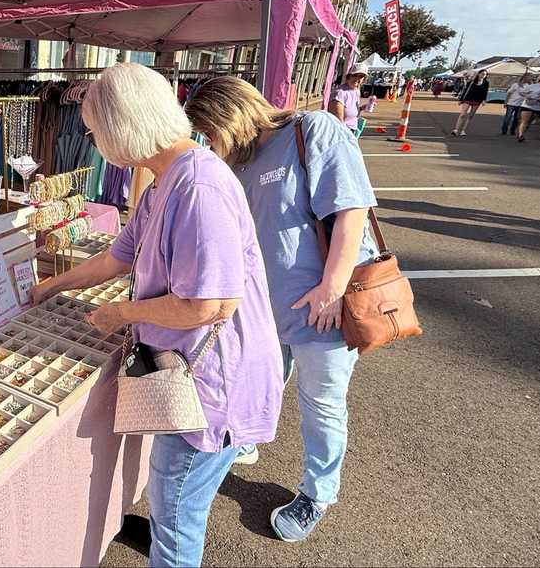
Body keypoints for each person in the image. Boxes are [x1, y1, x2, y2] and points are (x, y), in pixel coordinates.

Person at [30, 63, 283, 567]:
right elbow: (117, 257)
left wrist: (120, 311)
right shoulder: (167, 180)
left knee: (175, 523)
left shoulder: (198, 187)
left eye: (95, 130)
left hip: (210, 386)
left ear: (122, 126)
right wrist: (50, 286)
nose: (93, 139)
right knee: (176, 508)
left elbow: (206, 305)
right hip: (186, 370)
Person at [187, 76, 379, 543]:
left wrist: (332, 288)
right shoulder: (241, 159)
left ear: (229, 115)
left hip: (323, 308)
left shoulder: (313, 129)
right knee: (263, 379)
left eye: (211, 132)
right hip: (268, 307)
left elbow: (351, 209)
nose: (211, 143)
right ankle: (251, 438)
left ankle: (319, 492)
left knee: (323, 404)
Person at [328, 62, 369, 131]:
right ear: (349, 76)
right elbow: (337, 121)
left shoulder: (356, 91)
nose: (357, 78)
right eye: (354, 75)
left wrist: (361, 108)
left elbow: (353, 114)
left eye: (361, 76)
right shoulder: (340, 93)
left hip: (352, 129)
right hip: (342, 132)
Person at [516, 74, 540, 142]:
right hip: (528, 105)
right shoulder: (533, 86)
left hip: (538, 107)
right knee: (524, 121)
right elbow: (521, 92)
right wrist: (527, 96)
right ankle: (520, 135)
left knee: (529, 122)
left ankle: (521, 132)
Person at [452, 69, 489, 136]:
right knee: (463, 114)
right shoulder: (471, 82)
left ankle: (463, 131)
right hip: (468, 99)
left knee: (470, 116)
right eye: (482, 74)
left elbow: (485, 92)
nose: (483, 75)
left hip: (477, 100)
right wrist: (461, 100)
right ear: (478, 74)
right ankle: (456, 130)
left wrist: (484, 100)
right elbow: (465, 90)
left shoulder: (486, 83)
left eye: (485, 74)